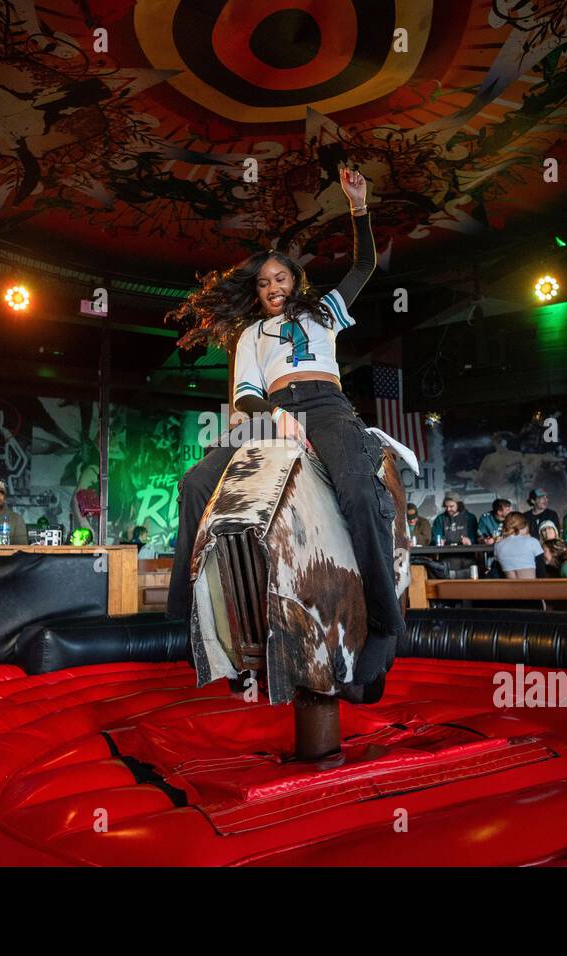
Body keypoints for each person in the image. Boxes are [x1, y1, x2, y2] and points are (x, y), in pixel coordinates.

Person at [164, 165, 402, 687]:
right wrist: (272, 415)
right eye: (264, 282)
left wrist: (358, 206)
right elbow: (246, 400)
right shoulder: (251, 334)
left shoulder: (324, 312)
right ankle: (181, 618)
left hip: (326, 405)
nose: (273, 287)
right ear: (257, 290)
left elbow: (363, 265)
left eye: (281, 278)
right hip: (270, 414)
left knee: (361, 492)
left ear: (295, 281)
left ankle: (385, 624)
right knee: (195, 483)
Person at [493, 512, 544, 579]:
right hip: (531, 587)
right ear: (524, 526)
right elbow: (541, 572)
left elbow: (499, 573)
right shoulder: (532, 541)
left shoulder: (498, 546)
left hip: (509, 588)